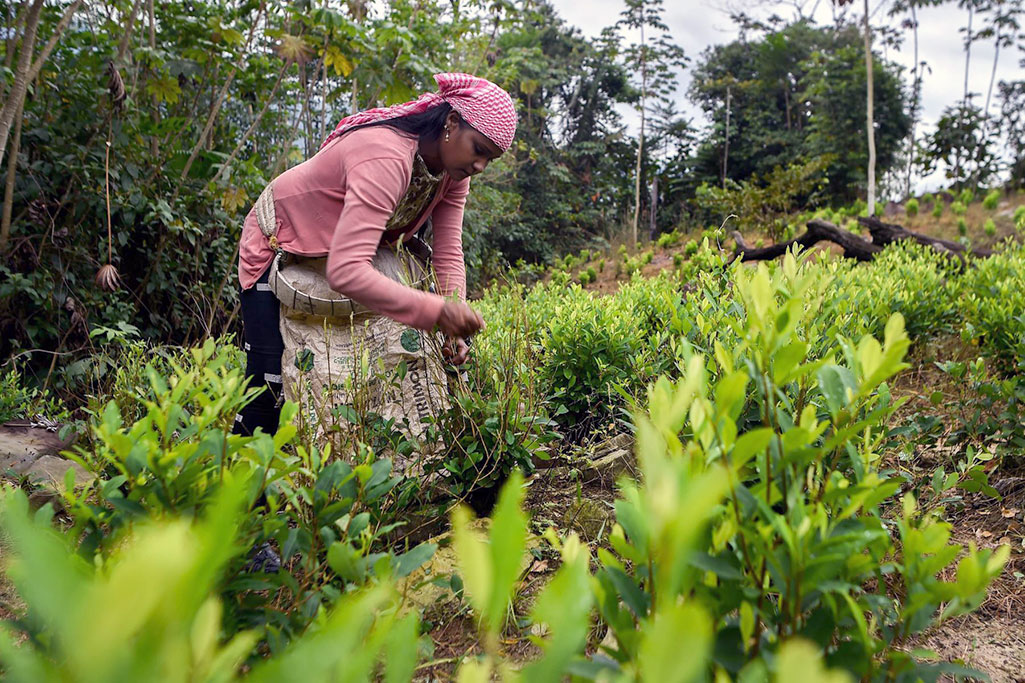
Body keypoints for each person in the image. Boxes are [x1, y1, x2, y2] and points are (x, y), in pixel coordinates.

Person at [233, 72, 517, 437]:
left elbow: (447, 252)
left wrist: (453, 324)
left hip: (335, 252)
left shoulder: (453, 176)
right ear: (451, 122)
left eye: (489, 160)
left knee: (359, 382)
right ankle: (238, 481)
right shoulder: (385, 156)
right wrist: (438, 312)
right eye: (478, 149)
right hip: (279, 242)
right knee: (269, 386)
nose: (479, 166)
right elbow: (347, 270)